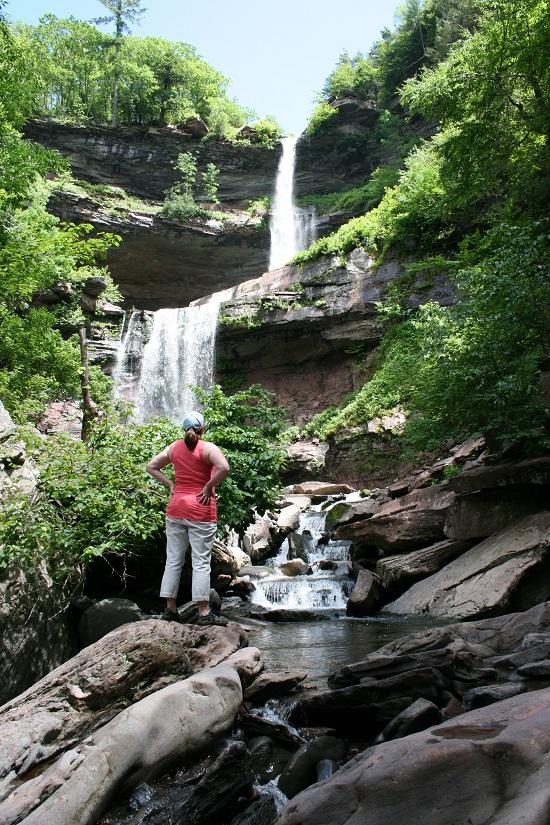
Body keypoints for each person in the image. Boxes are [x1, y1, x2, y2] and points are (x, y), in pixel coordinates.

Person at [146, 410, 230, 626]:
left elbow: (151, 466)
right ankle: (203, 613)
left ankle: (170, 609)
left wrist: (171, 485)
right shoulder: (208, 448)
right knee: (201, 562)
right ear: (203, 429)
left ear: (184, 429)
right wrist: (209, 486)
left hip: (175, 509)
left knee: (174, 560)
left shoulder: (174, 447)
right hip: (201, 510)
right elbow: (224, 468)